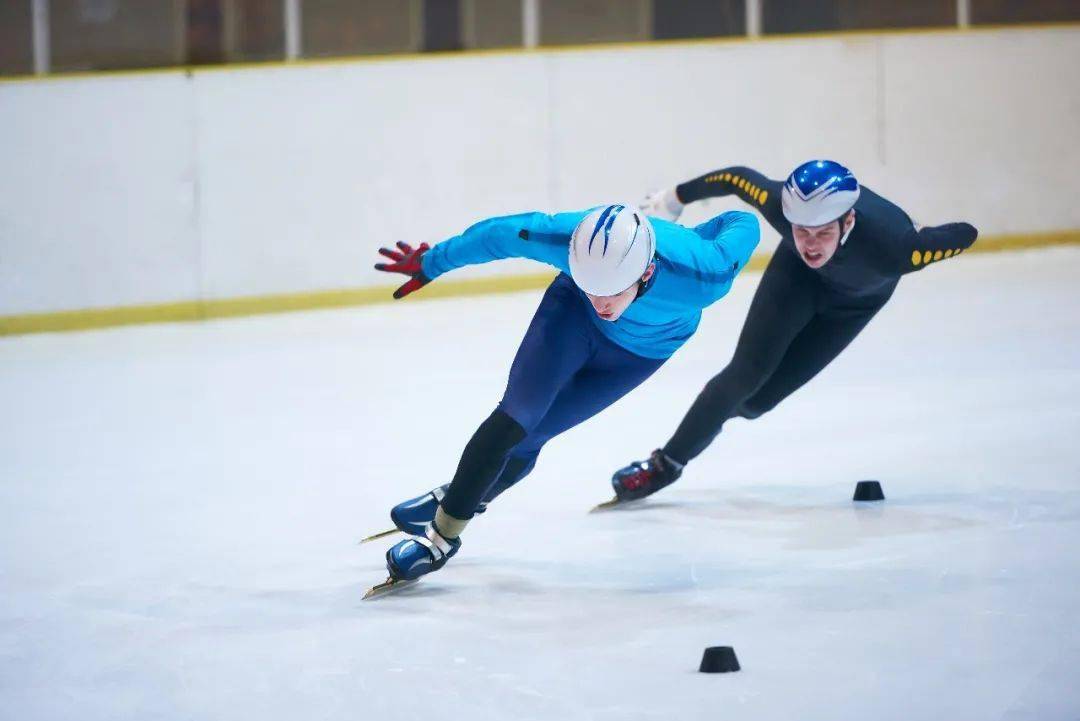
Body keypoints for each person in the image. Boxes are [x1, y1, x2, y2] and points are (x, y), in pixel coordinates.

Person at [369, 202, 760, 589]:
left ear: (648, 271)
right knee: (516, 419)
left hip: (639, 353)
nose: (602, 302)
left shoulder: (705, 272)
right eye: (592, 285)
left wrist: (692, 236)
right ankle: (441, 538)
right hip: (571, 317)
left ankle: (458, 495)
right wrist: (431, 263)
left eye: (614, 291)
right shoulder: (565, 237)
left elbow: (742, 220)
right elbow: (495, 235)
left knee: (534, 437)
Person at [606, 160, 979, 503]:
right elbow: (736, 178)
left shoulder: (896, 249)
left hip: (852, 307)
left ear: (847, 223)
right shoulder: (782, 209)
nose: (811, 244)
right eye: (801, 231)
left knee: (755, 404)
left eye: (822, 232)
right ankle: (665, 465)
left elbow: (966, 233)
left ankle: (715, 415)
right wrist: (675, 197)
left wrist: (924, 237)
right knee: (743, 375)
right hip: (796, 277)